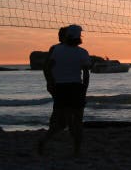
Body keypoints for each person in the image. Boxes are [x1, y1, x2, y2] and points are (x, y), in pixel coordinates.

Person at [37, 24, 91, 157]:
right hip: (75, 88)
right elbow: (86, 74)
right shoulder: (82, 52)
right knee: (77, 121)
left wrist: (50, 83)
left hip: (60, 88)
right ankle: (76, 151)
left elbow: (47, 68)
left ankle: (44, 141)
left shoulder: (56, 50)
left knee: (59, 122)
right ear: (79, 37)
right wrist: (84, 90)